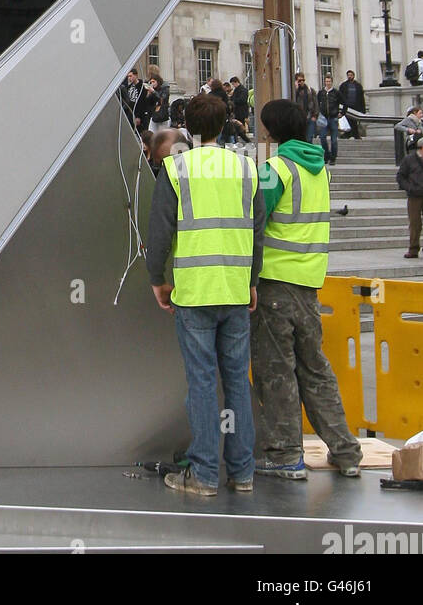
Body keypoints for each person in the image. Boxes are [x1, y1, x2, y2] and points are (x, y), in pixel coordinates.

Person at [146, 92, 264, 495]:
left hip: (194, 291)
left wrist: (156, 278)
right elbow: (257, 231)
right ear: (227, 122)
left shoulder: (176, 169)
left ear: (188, 126)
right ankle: (244, 473)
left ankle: (205, 474)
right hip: (234, 288)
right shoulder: (247, 168)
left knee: (200, 382)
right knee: (236, 381)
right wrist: (253, 281)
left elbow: (160, 234)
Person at [251, 99, 363, 479]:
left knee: (276, 370)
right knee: (315, 369)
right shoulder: (320, 170)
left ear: (273, 131)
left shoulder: (274, 169)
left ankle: (285, 456)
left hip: (275, 285)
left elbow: (256, 223)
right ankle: (346, 451)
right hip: (310, 284)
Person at [397, 126, 423, 260]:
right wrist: (409, 187)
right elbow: (400, 177)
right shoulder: (409, 160)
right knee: (415, 223)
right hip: (414, 196)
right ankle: (413, 249)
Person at [317, 73, 342, 165]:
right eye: (326, 81)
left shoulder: (336, 92)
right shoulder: (321, 93)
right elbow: (317, 103)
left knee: (334, 140)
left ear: (332, 82)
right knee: (322, 137)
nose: (328, 83)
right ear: (324, 82)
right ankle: (326, 155)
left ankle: (333, 158)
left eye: (329, 81)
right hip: (323, 118)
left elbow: (344, 103)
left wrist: (341, 113)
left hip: (333, 118)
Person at [337, 70, 366, 140]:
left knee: (354, 121)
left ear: (353, 76)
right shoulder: (343, 85)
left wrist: (363, 109)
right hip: (346, 107)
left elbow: (361, 98)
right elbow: (340, 96)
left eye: (351, 75)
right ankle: (351, 134)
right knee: (348, 121)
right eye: (348, 75)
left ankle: (352, 134)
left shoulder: (358, 86)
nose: (349, 76)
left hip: (356, 107)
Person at [294, 72, 318, 144]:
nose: (301, 82)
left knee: (309, 138)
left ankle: (308, 154)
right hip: (299, 118)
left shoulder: (310, 90)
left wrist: (315, 115)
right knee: (301, 138)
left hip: (310, 116)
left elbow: (315, 103)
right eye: (299, 81)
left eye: (303, 80)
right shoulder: (295, 91)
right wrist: (296, 89)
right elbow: (293, 101)